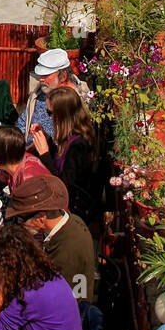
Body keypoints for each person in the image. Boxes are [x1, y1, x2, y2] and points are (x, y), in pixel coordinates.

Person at [4, 174, 95, 301]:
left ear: (41, 218)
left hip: (66, 313)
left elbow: (49, 299)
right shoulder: (69, 220)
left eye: (22, 219)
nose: (20, 223)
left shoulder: (68, 251)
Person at [30, 86, 101, 225]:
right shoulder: (69, 135)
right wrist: (46, 139)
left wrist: (44, 154)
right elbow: (57, 159)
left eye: (50, 113)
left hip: (71, 213)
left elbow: (64, 187)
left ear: (62, 115)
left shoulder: (79, 145)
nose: (48, 117)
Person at [18, 48, 91, 142]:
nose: (41, 79)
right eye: (40, 75)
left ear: (63, 76)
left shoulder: (77, 100)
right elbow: (22, 124)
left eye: (46, 75)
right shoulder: (39, 94)